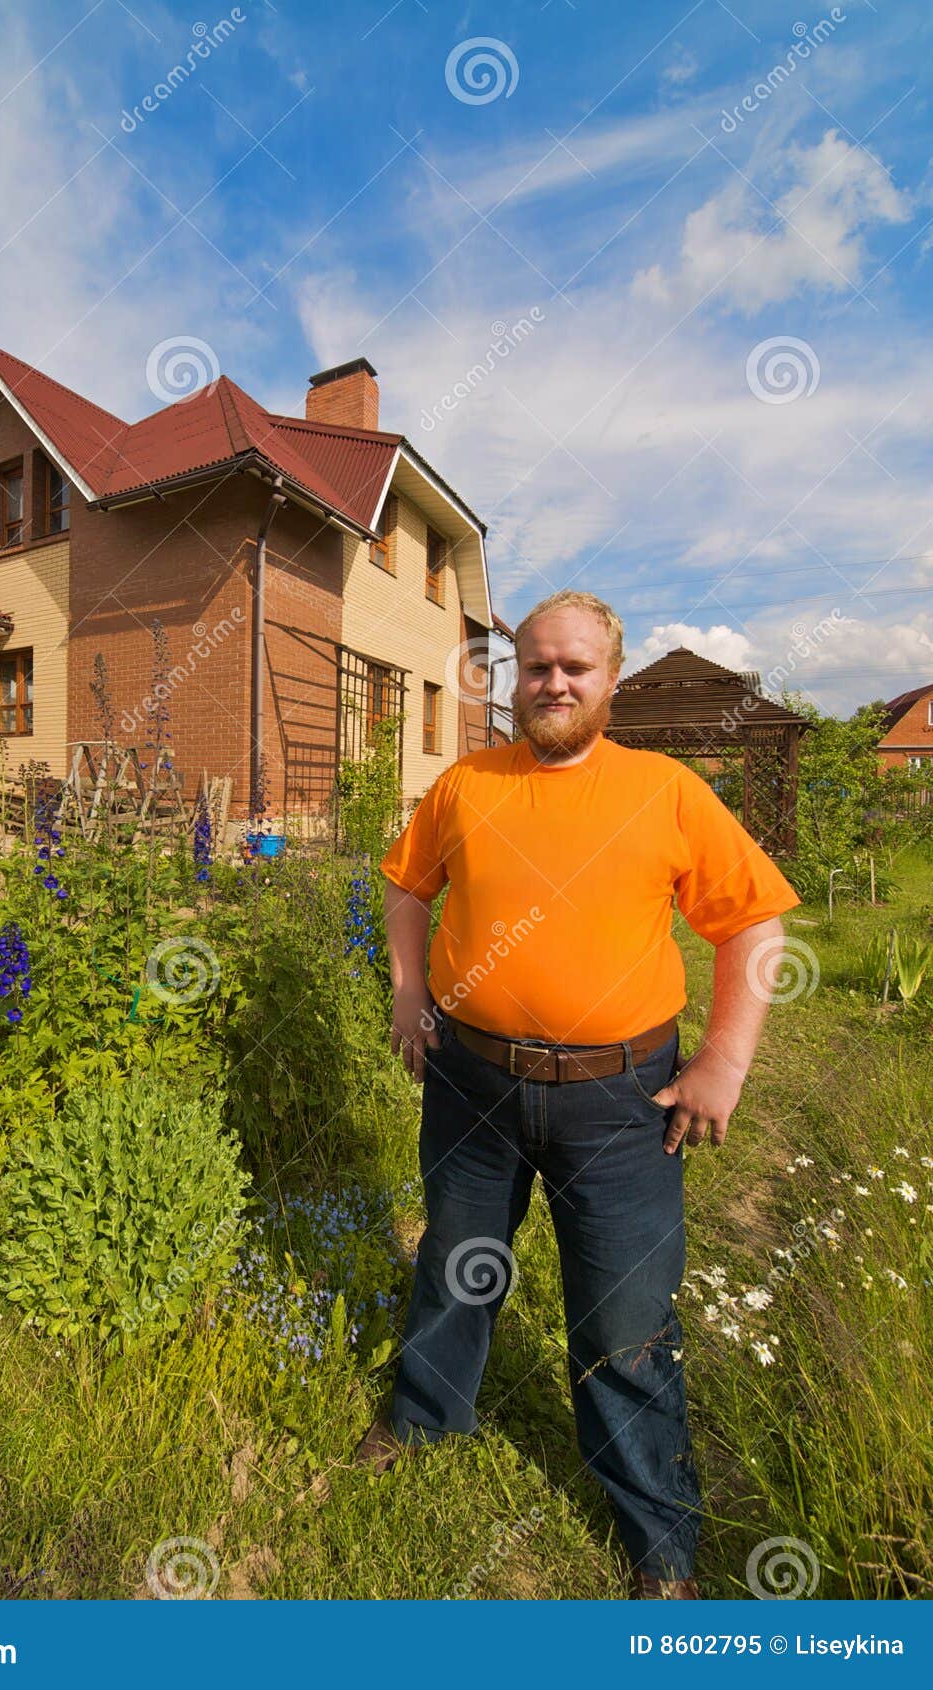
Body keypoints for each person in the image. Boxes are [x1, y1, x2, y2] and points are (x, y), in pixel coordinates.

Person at [354, 589, 801, 1600]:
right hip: (471, 1083)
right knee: (457, 1266)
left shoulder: (667, 791)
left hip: (624, 1103)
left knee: (624, 1317)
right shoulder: (467, 783)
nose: (552, 682)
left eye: (575, 667)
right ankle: (426, 1418)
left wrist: (726, 1059)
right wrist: (409, 988)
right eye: (535, 666)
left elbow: (753, 925)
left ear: (611, 678)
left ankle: (657, 1539)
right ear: (516, 678)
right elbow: (403, 884)